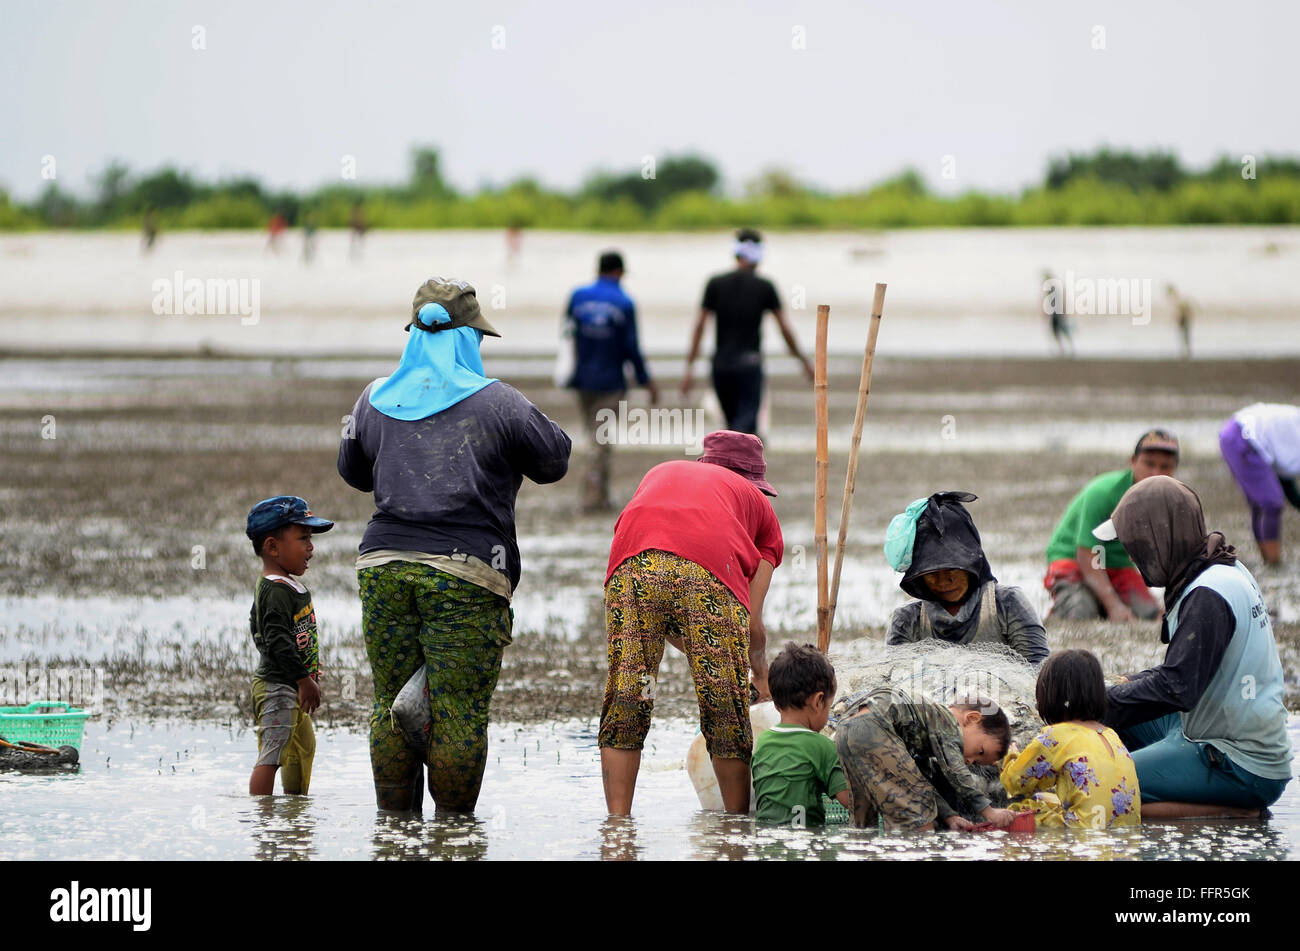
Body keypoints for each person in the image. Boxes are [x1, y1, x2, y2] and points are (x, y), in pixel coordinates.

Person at [337, 277, 571, 812]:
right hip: (468, 573)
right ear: (468, 339)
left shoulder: (373, 399)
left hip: (383, 565)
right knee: (459, 709)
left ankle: (394, 830)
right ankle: (454, 834)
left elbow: (353, 472)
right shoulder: (499, 403)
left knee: (388, 701)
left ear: (414, 337)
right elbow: (555, 459)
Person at [599, 431, 784, 815]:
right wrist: (761, 678)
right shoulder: (762, 515)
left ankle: (617, 830)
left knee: (629, 694)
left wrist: (706, 645)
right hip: (706, 577)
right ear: (755, 483)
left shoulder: (663, 472)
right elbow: (751, 626)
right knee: (723, 708)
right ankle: (734, 829)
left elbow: (672, 610)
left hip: (631, 567)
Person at [1096, 475, 1292, 818]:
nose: (1131, 554)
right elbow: (1185, 672)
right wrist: (1125, 684)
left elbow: (1176, 688)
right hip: (1213, 725)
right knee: (1110, 717)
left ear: (1160, 538)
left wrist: (1098, 701)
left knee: (1098, 787)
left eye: (1136, 543)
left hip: (1238, 760)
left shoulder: (1208, 594)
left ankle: (1228, 810)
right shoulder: (1220, 569)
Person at [884, 491, 1048, 664]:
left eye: (952, 569)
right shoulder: (908, 620)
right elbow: (895, 678)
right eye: (931, 574)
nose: (943, 581)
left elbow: (1037, 672)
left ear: (971, 562)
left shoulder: (1007, 604)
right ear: (919, 577)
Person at [682, 228, 814, 434]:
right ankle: (739, 462)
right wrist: (803, 361)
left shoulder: (716, 283)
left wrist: (689, 368)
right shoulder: (764, 287)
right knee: (745, 427)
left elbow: (699, 327)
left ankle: (730, 462)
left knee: (731, 425)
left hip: (721, 365)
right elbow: (785, 330)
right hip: (749, 366)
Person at [245, 495, 334, 796]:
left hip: (291, 683)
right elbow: (275, 639)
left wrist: (305, 667)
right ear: (272, 547)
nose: (311, 547)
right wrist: (303, 678)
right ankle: (264, 819)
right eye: (303, 538)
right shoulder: (275, 589)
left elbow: (257, 625)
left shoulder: (281, 585)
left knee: (303, 745)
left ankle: (295, 811)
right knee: (272, 755)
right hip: (278, 686)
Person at [834, 687, 1017, 831]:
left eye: (977, 762)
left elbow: (920, 782)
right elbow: (957, 773)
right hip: (876, 725)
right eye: (980, 752)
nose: (970, 761)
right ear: (971, 719)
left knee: (864, 821)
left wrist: (948, 816)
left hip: (845, 729)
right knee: (918, 816)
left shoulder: (926, 733)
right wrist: (989, 812)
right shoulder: (948, 722)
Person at [1043, 429, 1179, 622]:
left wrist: (1172, 602)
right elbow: (1086, 553)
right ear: (1133, 461)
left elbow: (1174, 557)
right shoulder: (1103, 492)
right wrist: (1113, 604)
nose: (1155, 473)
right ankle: (1067, 609)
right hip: (1073, 558)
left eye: (1165, 467)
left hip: (1117, 564)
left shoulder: (1172, 502)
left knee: (1148, 614)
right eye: (1149, 464)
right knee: (1081, 613)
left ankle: (1099, 602)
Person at [1000, 649, 1140, 828]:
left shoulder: (1056, 735)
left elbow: (1015, 783)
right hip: (1125, 836)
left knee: (1017, 810)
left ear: (1051, 695)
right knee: (1048, 799)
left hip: (1080, 835)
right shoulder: (1110, 734)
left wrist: (1009, 753)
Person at [563, 250, 658, 512]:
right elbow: (631, 347)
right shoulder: (624, 302)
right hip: (610, 381)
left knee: (593, 436)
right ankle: (593, 497)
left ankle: (600, 494)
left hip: (581, 379)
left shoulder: (578, 297)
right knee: (600, 440)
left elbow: (567, 335)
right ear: (619, 272)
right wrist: (646, 381)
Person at [751, 643, 851, 826]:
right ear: (819, 701)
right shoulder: (822, 746)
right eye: (829, 706)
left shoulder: (763, 741)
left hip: (766, 848)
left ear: (775, 702)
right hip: (806, 845)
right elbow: (851, 802)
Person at [1218, 402, 1300, 565]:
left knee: (1262, 503)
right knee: (1270, 503)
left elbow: (1286, 481)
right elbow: (1287, 485)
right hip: (1243, 436)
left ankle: (1268, 562)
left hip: (1235, 431)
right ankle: (1273, 564)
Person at [1042, 270, 1074, 357]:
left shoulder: (1052, 288)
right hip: (1055, 313)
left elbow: (1054, 301)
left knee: (1059, 330)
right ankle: (1064, 348)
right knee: (1058, 331)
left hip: (1057, 313)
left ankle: (1066, 348)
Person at [1166, 284, 1193, 358]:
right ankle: (1185, 352)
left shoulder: (1178, 299)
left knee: (1185, 336)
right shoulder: (1176, 299)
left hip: (1184, 320)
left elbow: (1182, 310)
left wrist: (1181, 317)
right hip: (1182, 320)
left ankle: (1187, 352)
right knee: (1183, 336)